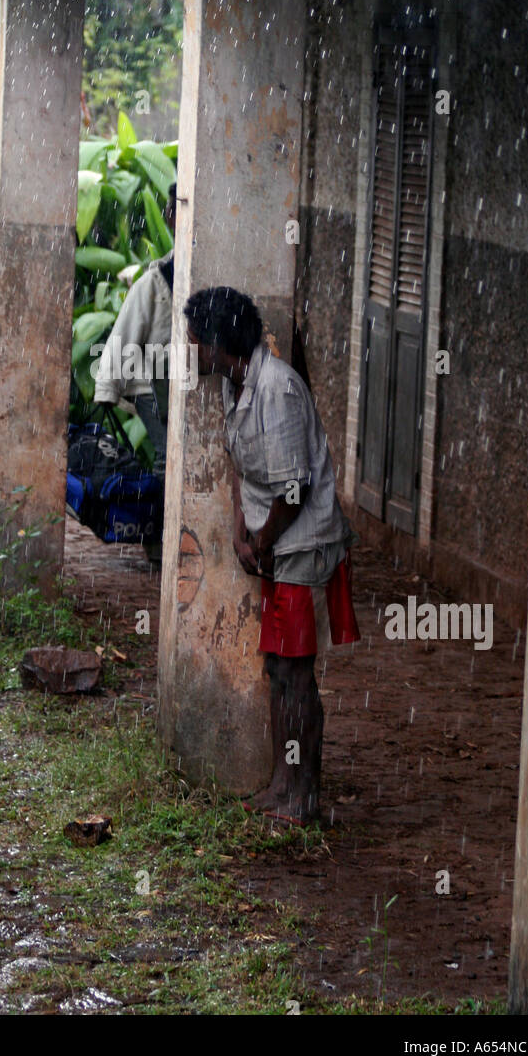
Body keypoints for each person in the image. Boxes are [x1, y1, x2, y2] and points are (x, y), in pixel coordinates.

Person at [183, 286, 361, 825]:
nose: (191, 350)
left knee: (295, 672)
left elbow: (293, 490)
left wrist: (260, 542)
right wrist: (241, 528)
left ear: (219, 343)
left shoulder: (279, 389)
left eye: (197, 341)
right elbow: (239, 466)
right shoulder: (233, 386)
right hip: (274, 542)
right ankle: (284, 784)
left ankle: (304, 794)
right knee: (278, 671)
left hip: (301, 541)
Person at [93, 185, 176, 557]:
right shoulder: (155, 280)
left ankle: (168, 535)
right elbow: (124, 334)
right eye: (173, 210)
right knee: (165, 457)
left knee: (174, 460)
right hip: (150, 387)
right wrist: (107, 391)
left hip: (181, 383)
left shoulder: (191, 271)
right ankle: (158, 540)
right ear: (172, 215)